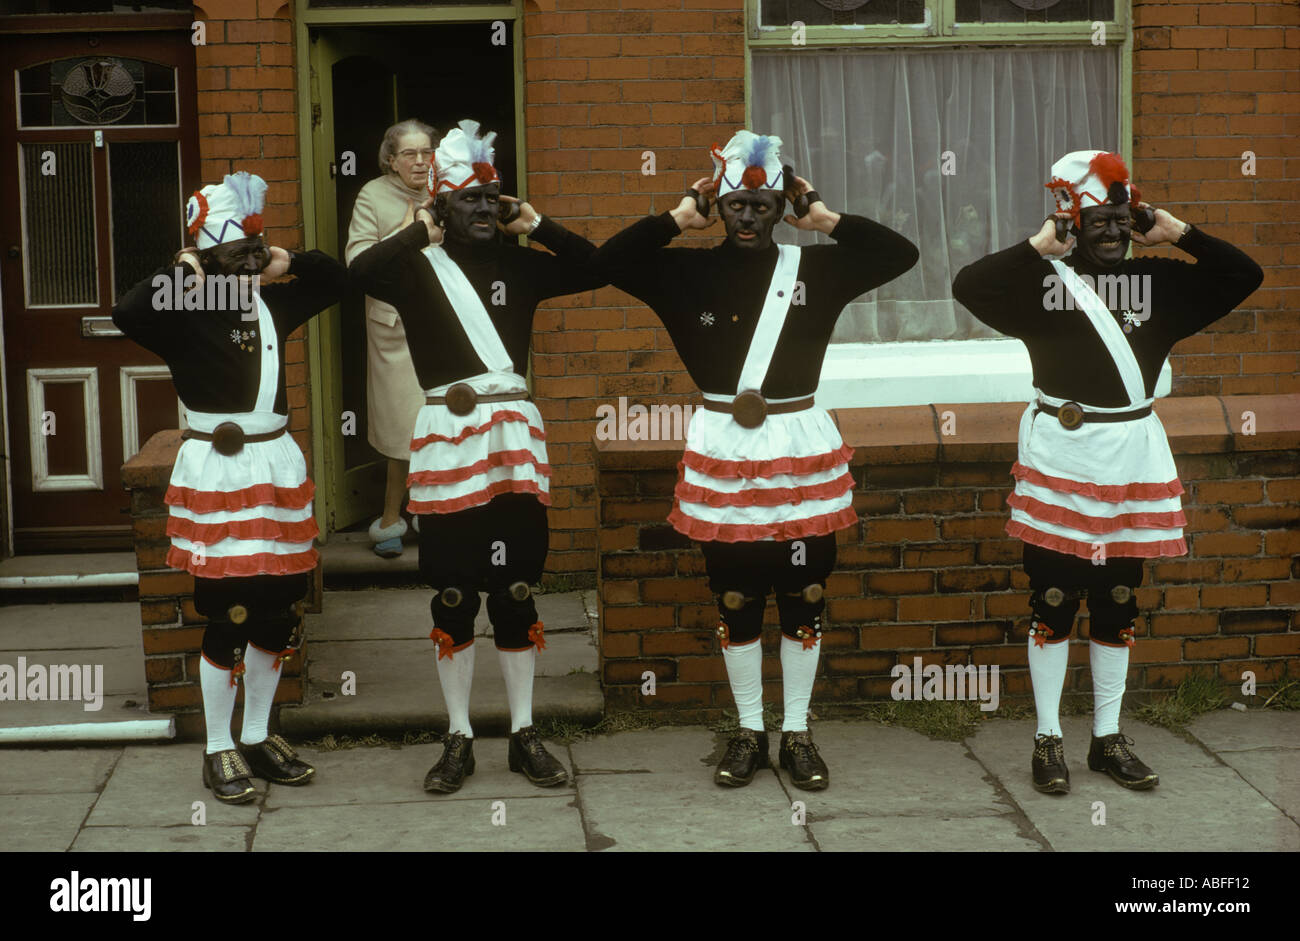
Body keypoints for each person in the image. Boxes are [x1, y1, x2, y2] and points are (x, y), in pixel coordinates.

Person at [588, 131, 919, 790]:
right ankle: (748, 730)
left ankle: (797, 730)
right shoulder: (685, 271)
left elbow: (900, 253)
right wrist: (679, 215)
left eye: (762, 205)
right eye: (736, 203)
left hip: (799, 444)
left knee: (804, 593)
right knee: (735, 594)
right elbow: (608, 261)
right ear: (720, 203)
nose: (748, 216)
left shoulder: (817, 269)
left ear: (778, 206)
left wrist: (822, 217)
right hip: (725, 449)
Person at [951, 150, 1263, 794]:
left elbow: (1244, 273)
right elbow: (970, 286)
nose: (1114, 233)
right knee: (1055, 600)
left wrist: (1176, 232)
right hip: (1061, 454)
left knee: (1118, 601)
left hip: (1132, 456)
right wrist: (1041, 244)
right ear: (1072, 220)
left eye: (1122, 220)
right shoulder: (1043, 288)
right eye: (1100, 221)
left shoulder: (1161, 284)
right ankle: (1047, 738)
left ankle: (1107, 737)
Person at [349, 119, 604, 793]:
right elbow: (355, 274)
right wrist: (417, 230)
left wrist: (538, 223)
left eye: (493, 199)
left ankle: (524, 733)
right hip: (448, 438)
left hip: (512, 442)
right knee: (455, 592)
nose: (486, 210)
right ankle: (458, 735)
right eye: (470, 199)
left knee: (517, 588)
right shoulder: (412, 269)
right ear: (440, 204)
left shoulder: (519, 264)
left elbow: (597, 266)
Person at [112, 171, 347, 803]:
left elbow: (337, 278)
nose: (249, 262)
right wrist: (186, 265)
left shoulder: (276, 301)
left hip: (274, 467)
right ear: (206, 257)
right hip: (217, 473)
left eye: (256, 249)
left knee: (278, 604)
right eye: (236, 253)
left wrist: (283, 259)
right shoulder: (179, 314)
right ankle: (218, 747)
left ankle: (258, 733)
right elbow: (126, 310)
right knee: (229, 609)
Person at [346, 119, 438, 558]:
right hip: (395, 326)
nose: (421, 162)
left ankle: (431, 511)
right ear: (391, 159)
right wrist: (409, 231)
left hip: (444, 320)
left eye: (427, 152)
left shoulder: (448, 184)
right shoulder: (373, 195)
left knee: (443, 422)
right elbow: (358, 261)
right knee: (402, 423)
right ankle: (388, 519)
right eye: (410, 154)